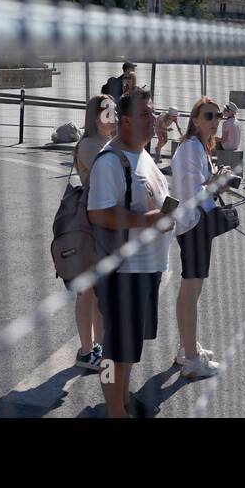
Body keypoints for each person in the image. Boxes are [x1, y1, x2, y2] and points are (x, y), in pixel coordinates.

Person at [86, 86, 174, 418]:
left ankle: (123, 400)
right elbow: (98, 212)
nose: (154, 119)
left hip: (146, 269)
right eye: (146, 114)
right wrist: (147, 219)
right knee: (114, 350)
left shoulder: (144, 154)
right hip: (123, 271)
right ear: (125, 121)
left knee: (129, 347)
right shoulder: (111, 160)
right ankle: (114, 411)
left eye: (153, 112)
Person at [170, 97, 229, 380]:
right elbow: (193, 191)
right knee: (191, 293)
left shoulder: (199, 148)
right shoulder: (191, 148)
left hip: (195, 225)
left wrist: (216, 177)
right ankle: (191, 359)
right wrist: (217, 181)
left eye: (217, 116)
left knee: (190, 291)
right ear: (195, 119)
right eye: (208, 115)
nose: (214, 120)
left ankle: (186, 348)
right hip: (193, 225)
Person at [69, 93, 116, 370]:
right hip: (88, 226)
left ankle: (98, 346)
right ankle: (86, 351)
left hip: (104, 224)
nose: (115, 116)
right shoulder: (89, 145)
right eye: (109, 111)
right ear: (97, 116)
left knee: (99, 292)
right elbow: (110, 176)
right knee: (86, 290)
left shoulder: (108, 142)